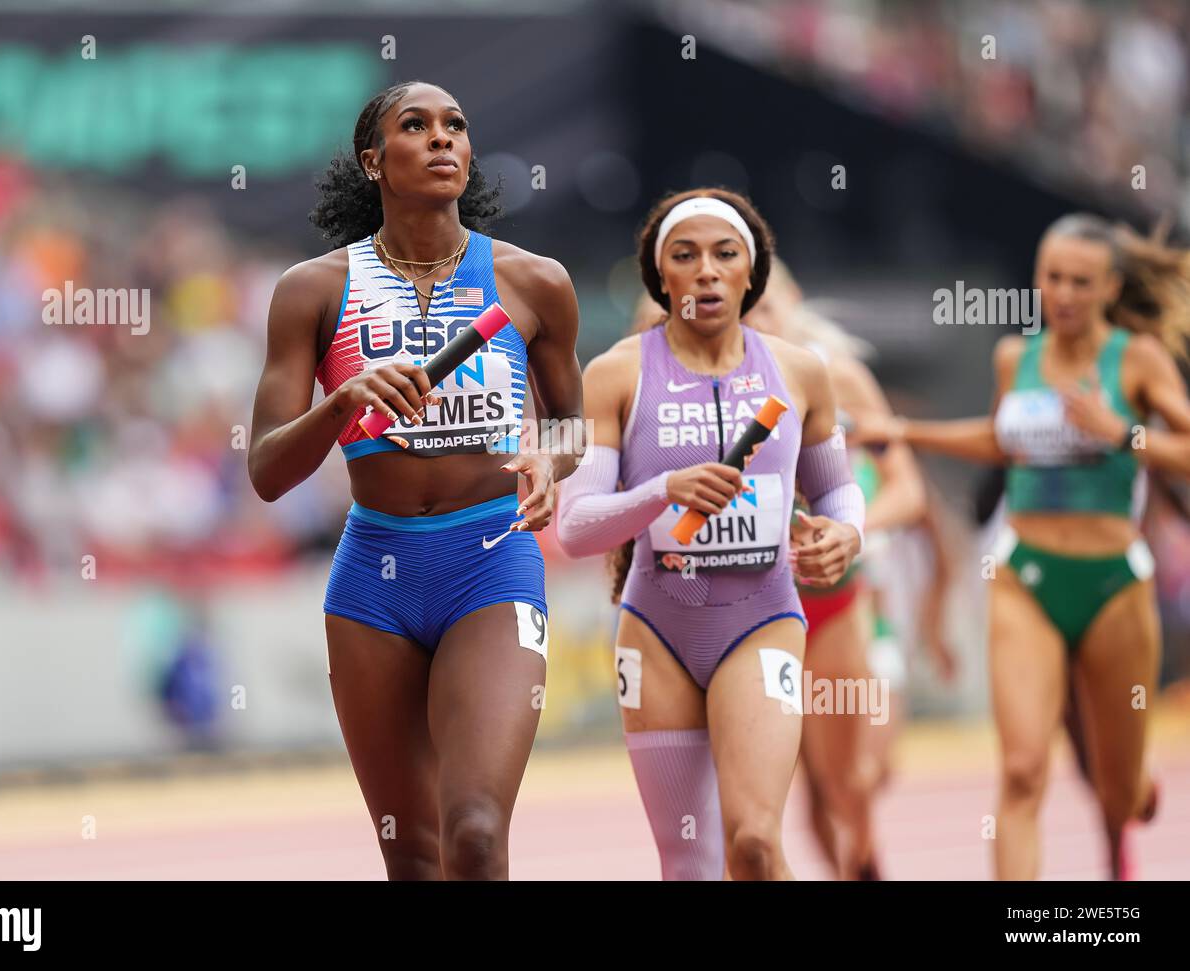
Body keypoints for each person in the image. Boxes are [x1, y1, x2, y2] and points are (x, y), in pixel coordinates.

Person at [248, 81, 584, 880]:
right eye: (416, 126)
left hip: (491, 561)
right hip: (374, 579)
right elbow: (266, 470)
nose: (443, 139)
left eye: (456, 126)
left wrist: (551, 457)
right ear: (374, 160)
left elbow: (574, 422)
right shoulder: (314, 290)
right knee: (412, 853)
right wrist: (342, 404)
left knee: (472, 831)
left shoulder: (534, 281)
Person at [853, 213, 1190, 879]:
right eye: (1051, 278)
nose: (1062, 293)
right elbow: (1000, 439)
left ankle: (1135, 780)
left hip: (1114, 582)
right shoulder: (1017, 356)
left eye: (1080, 282)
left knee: (1120, 795)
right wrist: (903, 430)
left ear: (1111, 287)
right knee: (1020, 769)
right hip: (1025, 575)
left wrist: (1123, 434)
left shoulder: (1138, 358)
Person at [556, 188, 865, 880]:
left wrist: (848, 534)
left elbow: (840, 490)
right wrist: (662, 490)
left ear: (750, 273)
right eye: (684, 255)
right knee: (689, 861)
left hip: (762, 621)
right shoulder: (616, 373)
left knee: (754, 842)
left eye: (725, 254)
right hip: (657, 630)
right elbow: (575, 527)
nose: (705, 270)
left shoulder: (799, 371)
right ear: (658, 275)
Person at [746, 259, 930, 879]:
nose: (759, 321)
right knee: (761, 808)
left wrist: (852, 532)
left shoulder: (841, 379)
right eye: (748, 311)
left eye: (768, 305)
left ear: (794, 299)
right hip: (744, 609)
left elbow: (909, 490)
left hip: (838, 603)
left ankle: (864, 864)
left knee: (849, 786)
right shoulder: (704, 386)